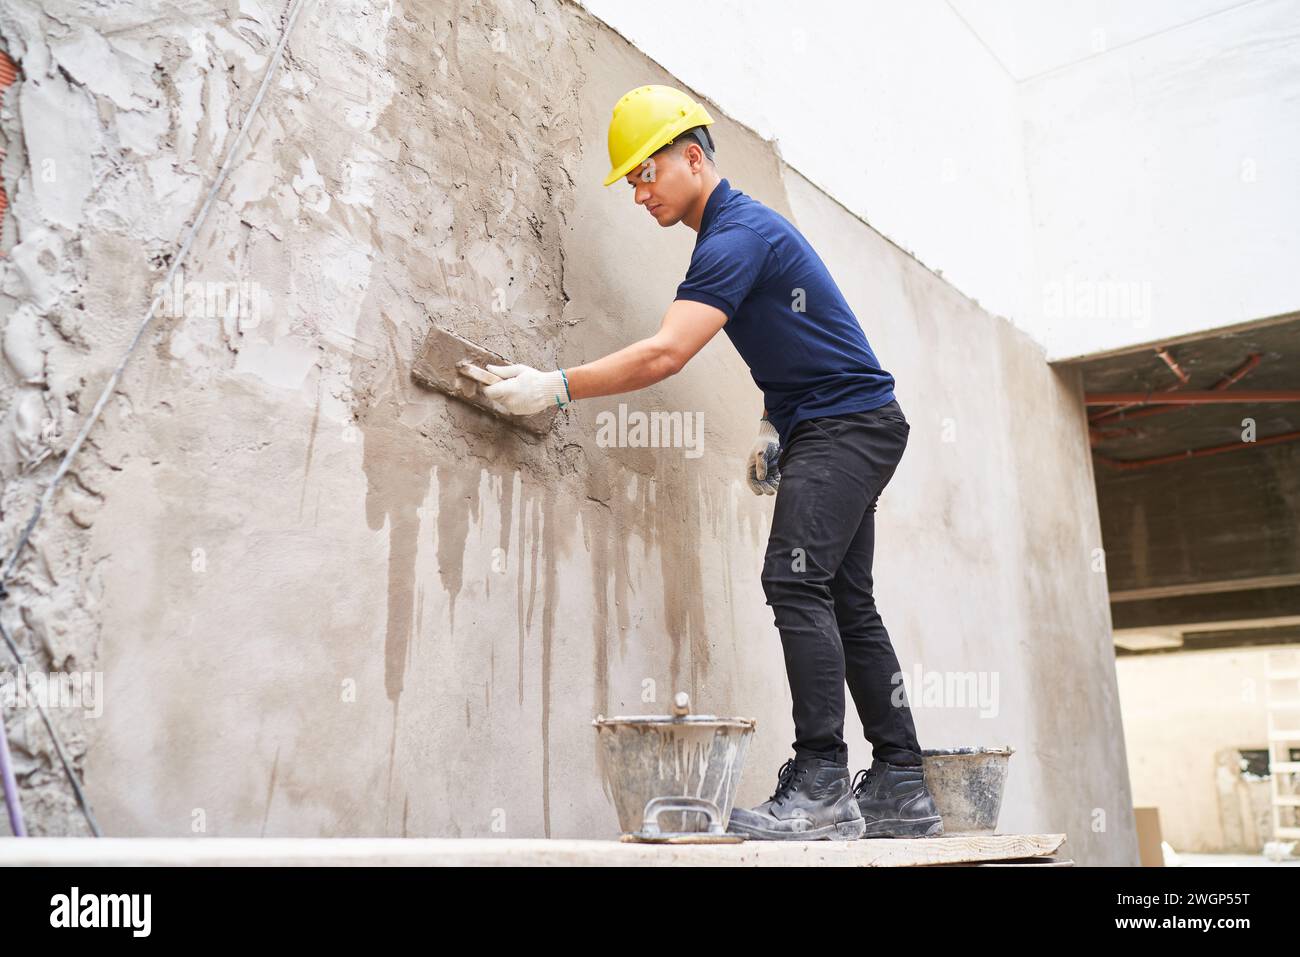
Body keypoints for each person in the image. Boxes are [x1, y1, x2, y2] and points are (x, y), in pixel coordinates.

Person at [483, 84, 943, 841]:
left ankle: (824, 783)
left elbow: (666, 352)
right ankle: (901, 785)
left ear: (691, 158)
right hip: (846, 419)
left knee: (794, 579)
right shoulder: (738, 233)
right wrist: (772, 422)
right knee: (846, 600)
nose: (638, 192)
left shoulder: (734, 237)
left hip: (844, 426)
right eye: (629, 180)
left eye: (645, 172)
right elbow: (803, 341)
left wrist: (554, 388)